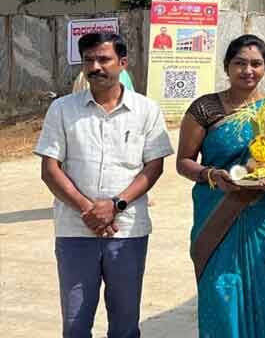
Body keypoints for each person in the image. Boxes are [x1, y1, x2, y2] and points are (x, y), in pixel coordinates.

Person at [35, 31, 173, 338]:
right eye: (89, 60)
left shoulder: (146, 110)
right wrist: (88, 210)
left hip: (128, 231)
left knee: (125, 324)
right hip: (74, 231)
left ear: (122, 62)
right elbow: (50, 169)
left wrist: (115, 205)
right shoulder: (62, 109)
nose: (96, 66)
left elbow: (154, 167)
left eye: (104, 59)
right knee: (75, 323)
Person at [176, 35, 265, 338]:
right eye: (240, 63)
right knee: (220, 289)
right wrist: (211, 175)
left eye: (256, 64)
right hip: (216, 212)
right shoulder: (205, 108)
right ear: (226, 67)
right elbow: (183, 161)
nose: (248, 70)